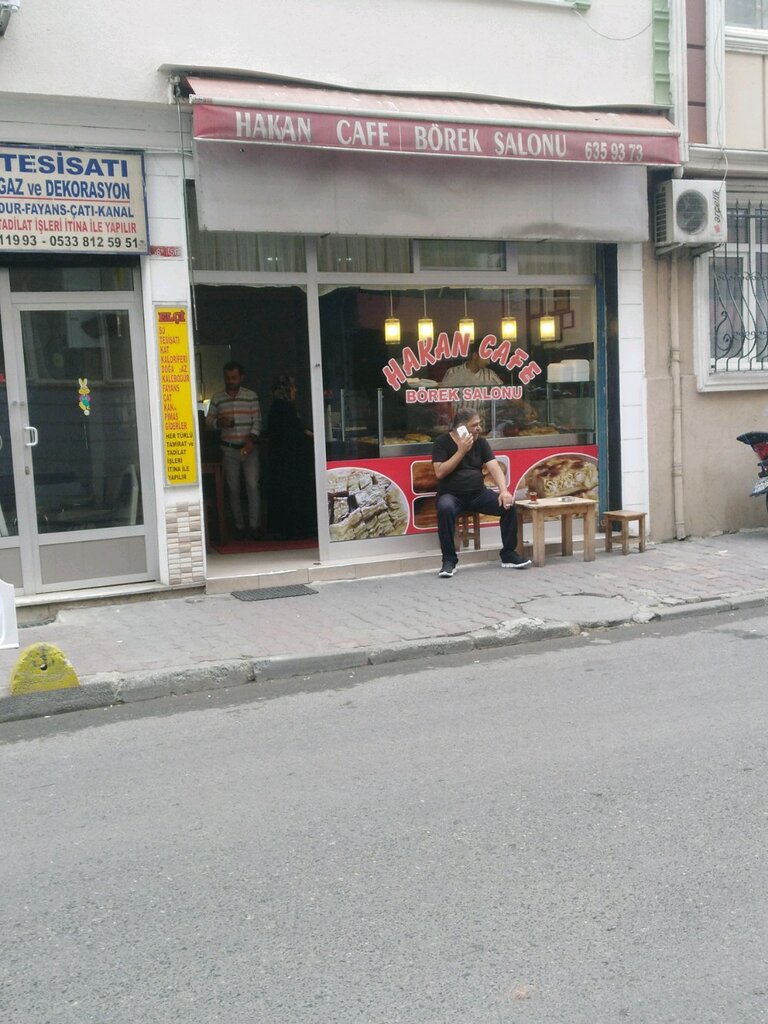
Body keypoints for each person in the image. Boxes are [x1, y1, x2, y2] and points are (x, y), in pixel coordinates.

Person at [432, 406, 531, 578]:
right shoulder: (442, 443)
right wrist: (461, 451)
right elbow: (440, 472)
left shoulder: (481, 442)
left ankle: (508, 554)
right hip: (451, 495)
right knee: (445, 508)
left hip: (477, 494)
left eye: (479, 424)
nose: (479, 428)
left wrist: (504, 491)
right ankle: (449, 561)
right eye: (474, 425)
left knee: (508, 505)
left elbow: (494, 466)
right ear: (461, 428)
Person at [206, 361, 262, 540]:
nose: (230, 381)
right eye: (227, 378)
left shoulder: (251, 396)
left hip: (249, 448)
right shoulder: (217, 398)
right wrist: (218, 423)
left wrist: (251, 439)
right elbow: (208, 422)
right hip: (229, 449)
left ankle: (254, 526)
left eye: (234, 378)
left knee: (252, 486)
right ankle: (238, 526)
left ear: (241, 377)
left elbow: (258, 421)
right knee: (233, 488)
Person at [265, 374, 316, 540]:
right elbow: (291, 433)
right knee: (292, 494)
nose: (295, 390)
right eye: (292, 387)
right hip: (288, 462)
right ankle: (294, 530)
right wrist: (306, 434)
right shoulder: (284, 408)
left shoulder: (279, 407)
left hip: (283, 461)